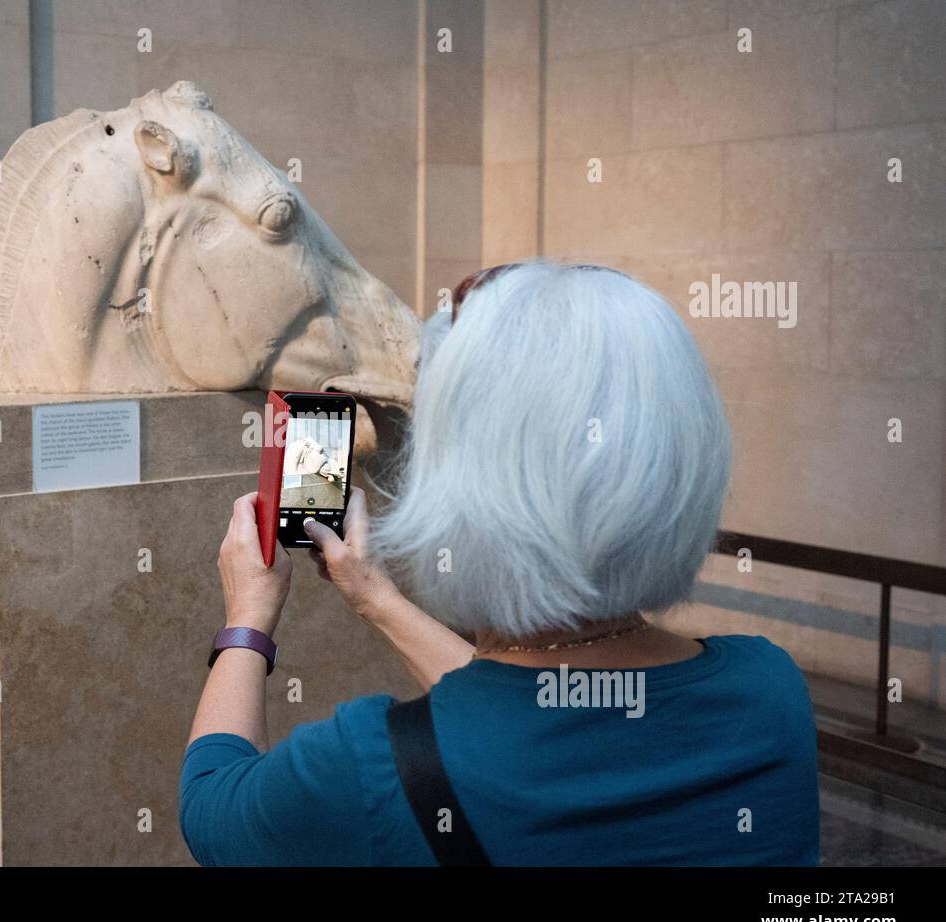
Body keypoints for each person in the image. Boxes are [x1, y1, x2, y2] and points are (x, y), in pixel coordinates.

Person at [180, 261, 820, 866]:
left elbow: (212, 805)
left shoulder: (367, 765)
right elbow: (540, 715)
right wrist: (374, 596)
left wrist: (249, 620)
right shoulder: (770, 691)